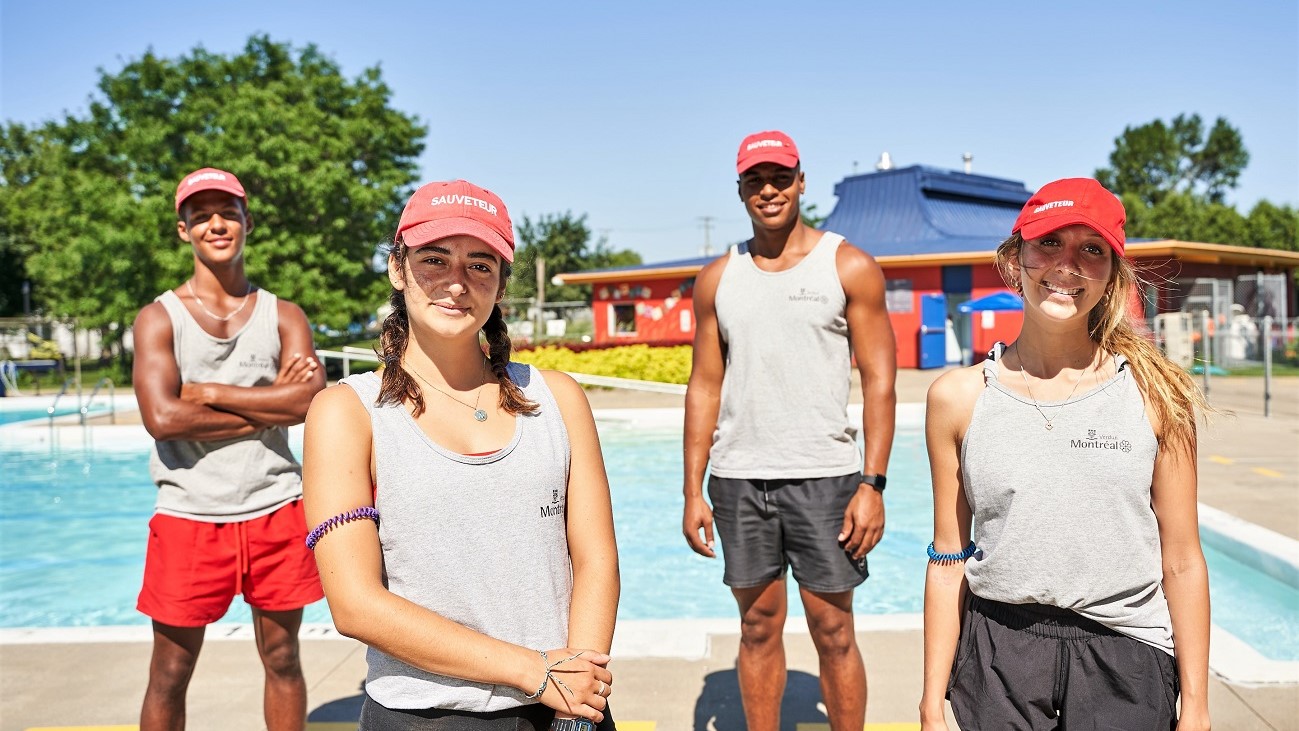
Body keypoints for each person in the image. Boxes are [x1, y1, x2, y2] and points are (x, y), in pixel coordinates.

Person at [302, 179, 620, 731]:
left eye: (479, 264)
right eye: (434, 259)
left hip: (562, 707)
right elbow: (355, 604)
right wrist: (535, 671)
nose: (456, 284)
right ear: (397, 270)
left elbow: (595, 559)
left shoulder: (558, 399)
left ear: (500, 283)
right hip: (424, 714)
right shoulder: (347, 413)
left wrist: (577, 697)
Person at [920, 178, 1211, 730]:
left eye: (1091, 250)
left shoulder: (1157, 396)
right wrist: (931, 701)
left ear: (1114, 275)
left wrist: (1195, 704)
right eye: (1049, 243)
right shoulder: (957, 399)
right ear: (1015, 258)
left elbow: (1182, 558)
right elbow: (947, 559)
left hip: (1126, 655)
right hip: (998, 655)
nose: (1067, 265)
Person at [682, 130, 898, 731]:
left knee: (834, 630)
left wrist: (873, 484)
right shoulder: (718, 278)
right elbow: (704, 387)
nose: (769, 190)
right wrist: (691, 490)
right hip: (739, 480)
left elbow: (881, 382)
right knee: (756, 627)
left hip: (826, 480)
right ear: (741, 190)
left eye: (780, 177)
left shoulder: (848, 265)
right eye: (755, 180)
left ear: (802, 181)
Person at [133, 167, 327, 730]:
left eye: (227, 213)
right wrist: (272, 402)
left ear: (246, 221)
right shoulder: (157, 318)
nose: (215, 224)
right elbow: (164, 419)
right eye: (201, 216)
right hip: (190, 516)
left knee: (284, 659)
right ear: (183, 230)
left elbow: (308, 404)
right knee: (169, 672)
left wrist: (213, 393)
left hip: (276, 510)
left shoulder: (284, 315)